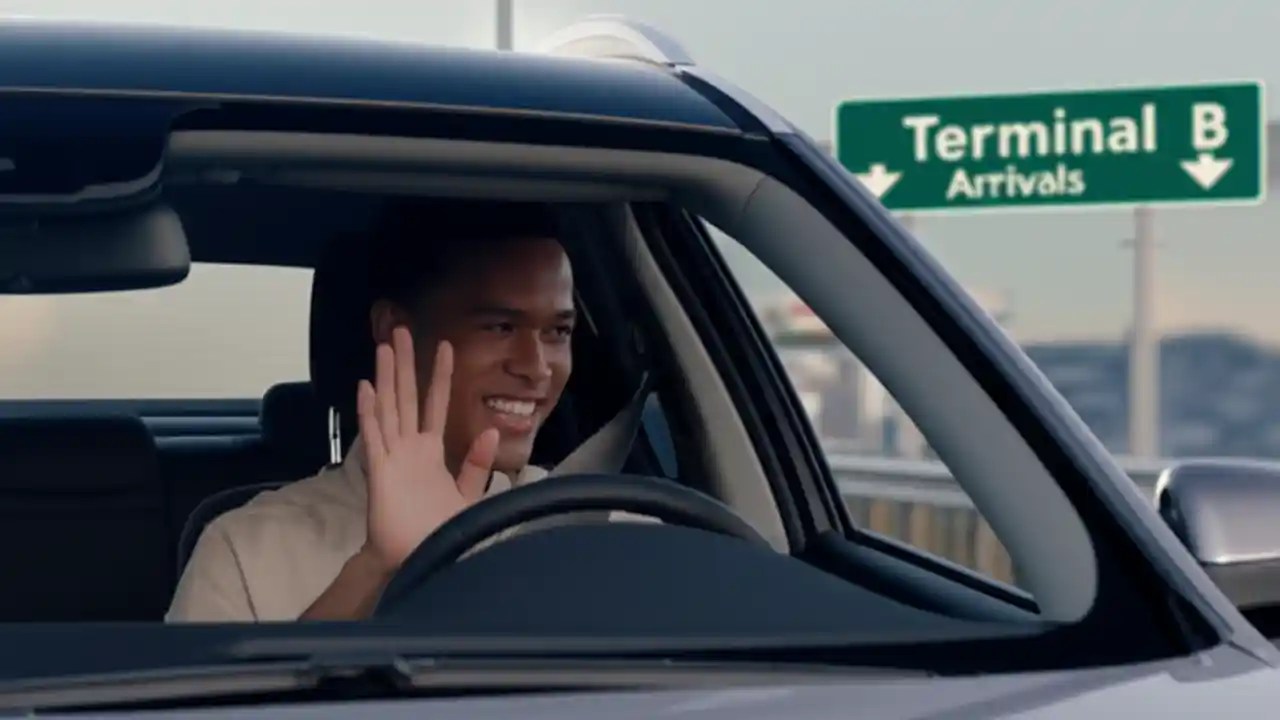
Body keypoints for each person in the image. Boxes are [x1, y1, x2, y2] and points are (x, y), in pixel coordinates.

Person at [166, 200, 576, 622]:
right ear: (394, 328)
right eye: (500, 327)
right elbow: (229, 691)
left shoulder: (596, 522)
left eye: (558, 331)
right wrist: (376, 568)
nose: (536, 367)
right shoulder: (248, 551)